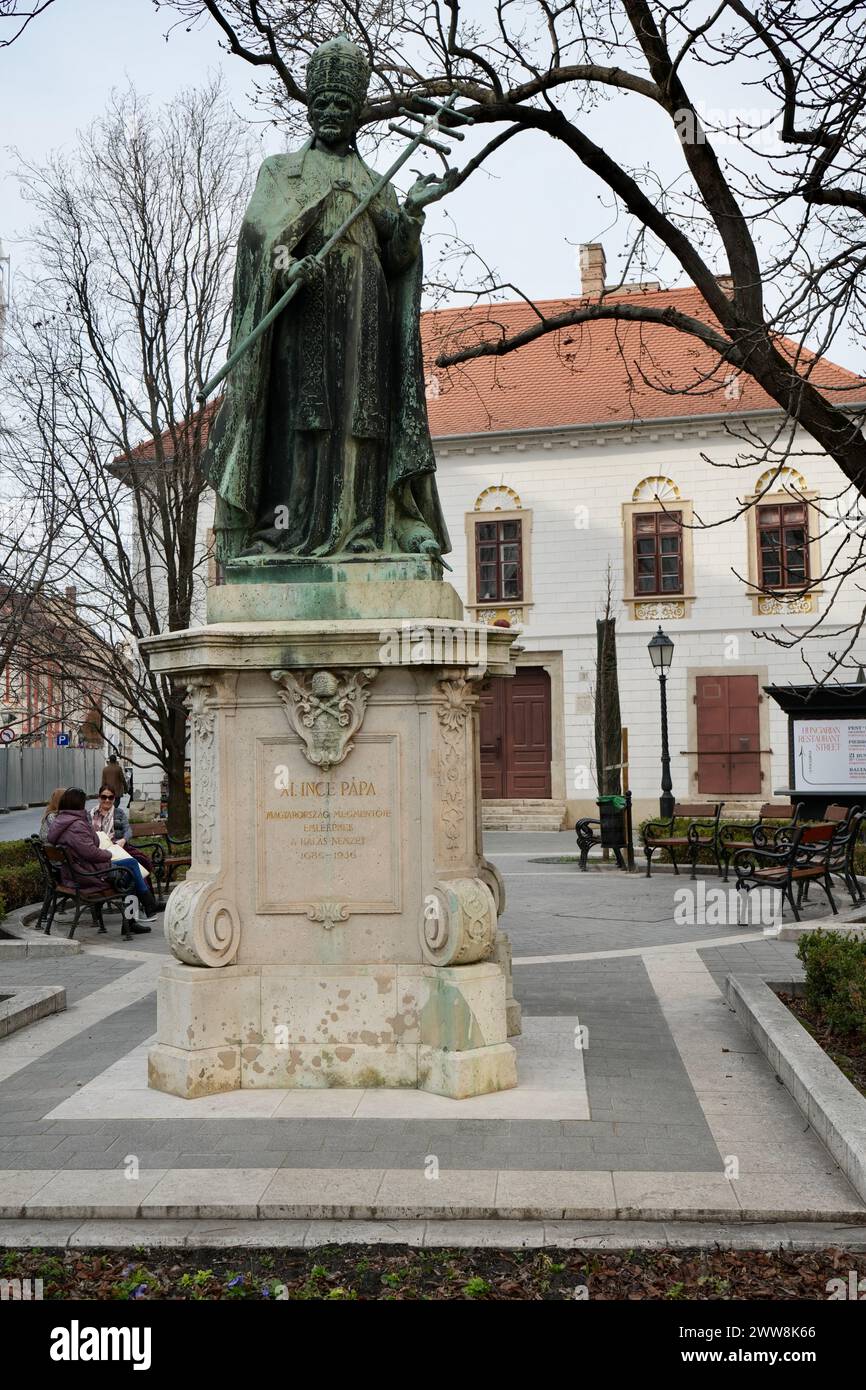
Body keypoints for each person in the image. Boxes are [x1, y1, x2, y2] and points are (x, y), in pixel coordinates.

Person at [204, 35, 451, 564]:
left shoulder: (371, 181)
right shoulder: (281, 171)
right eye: (322, 104)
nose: (332, 113)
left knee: (362, 426)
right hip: (306, 322)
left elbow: (399, 258)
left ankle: (365, 529)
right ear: (309, 108)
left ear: (358, 112)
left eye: (343, 105)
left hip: (365, 323)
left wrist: (412, 211)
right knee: (304, 425)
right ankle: (285, 533)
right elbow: (259, 242)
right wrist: (288, 265)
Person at [47, 788, 157, 930]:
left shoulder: (61, 821)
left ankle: (144, 908)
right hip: (87, 875)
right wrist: (110, 854)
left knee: (131, 865)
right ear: (78, 804)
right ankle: (142, 910)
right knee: (130, 871)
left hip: (75, 871)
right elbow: (91, 853)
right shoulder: (76, 825)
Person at [92, 784, 154, 878]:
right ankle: (140, 891)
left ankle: (137, 890)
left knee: (141, 861)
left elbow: (128, 830)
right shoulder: (91, 814)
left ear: (114, 799)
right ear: (99, 798)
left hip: (118, 848)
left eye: (110, 797)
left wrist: (123, 840)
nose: (107, 800)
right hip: (99, 851)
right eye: (104, 797)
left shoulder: (119, 812)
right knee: (129, 866)